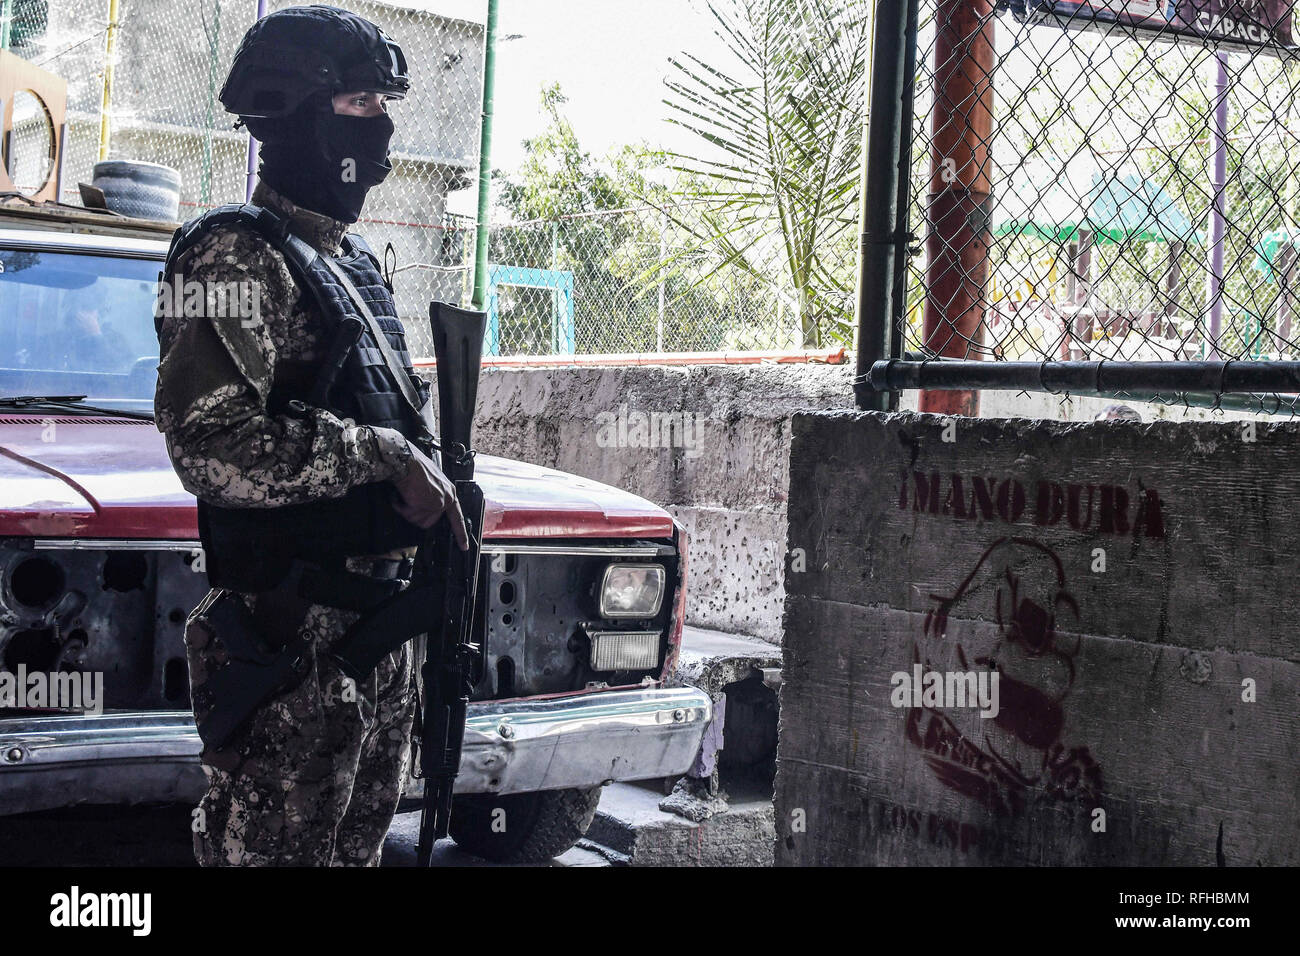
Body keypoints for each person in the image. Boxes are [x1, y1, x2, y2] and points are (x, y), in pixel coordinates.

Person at [154, 4, 467, 867]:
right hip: (292, 639)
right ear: (292, 114)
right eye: (361, 101)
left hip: (374, 635)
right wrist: (386, 456)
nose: (383, 124)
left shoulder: (351, 261)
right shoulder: (229, 254)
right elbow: (208, 444)